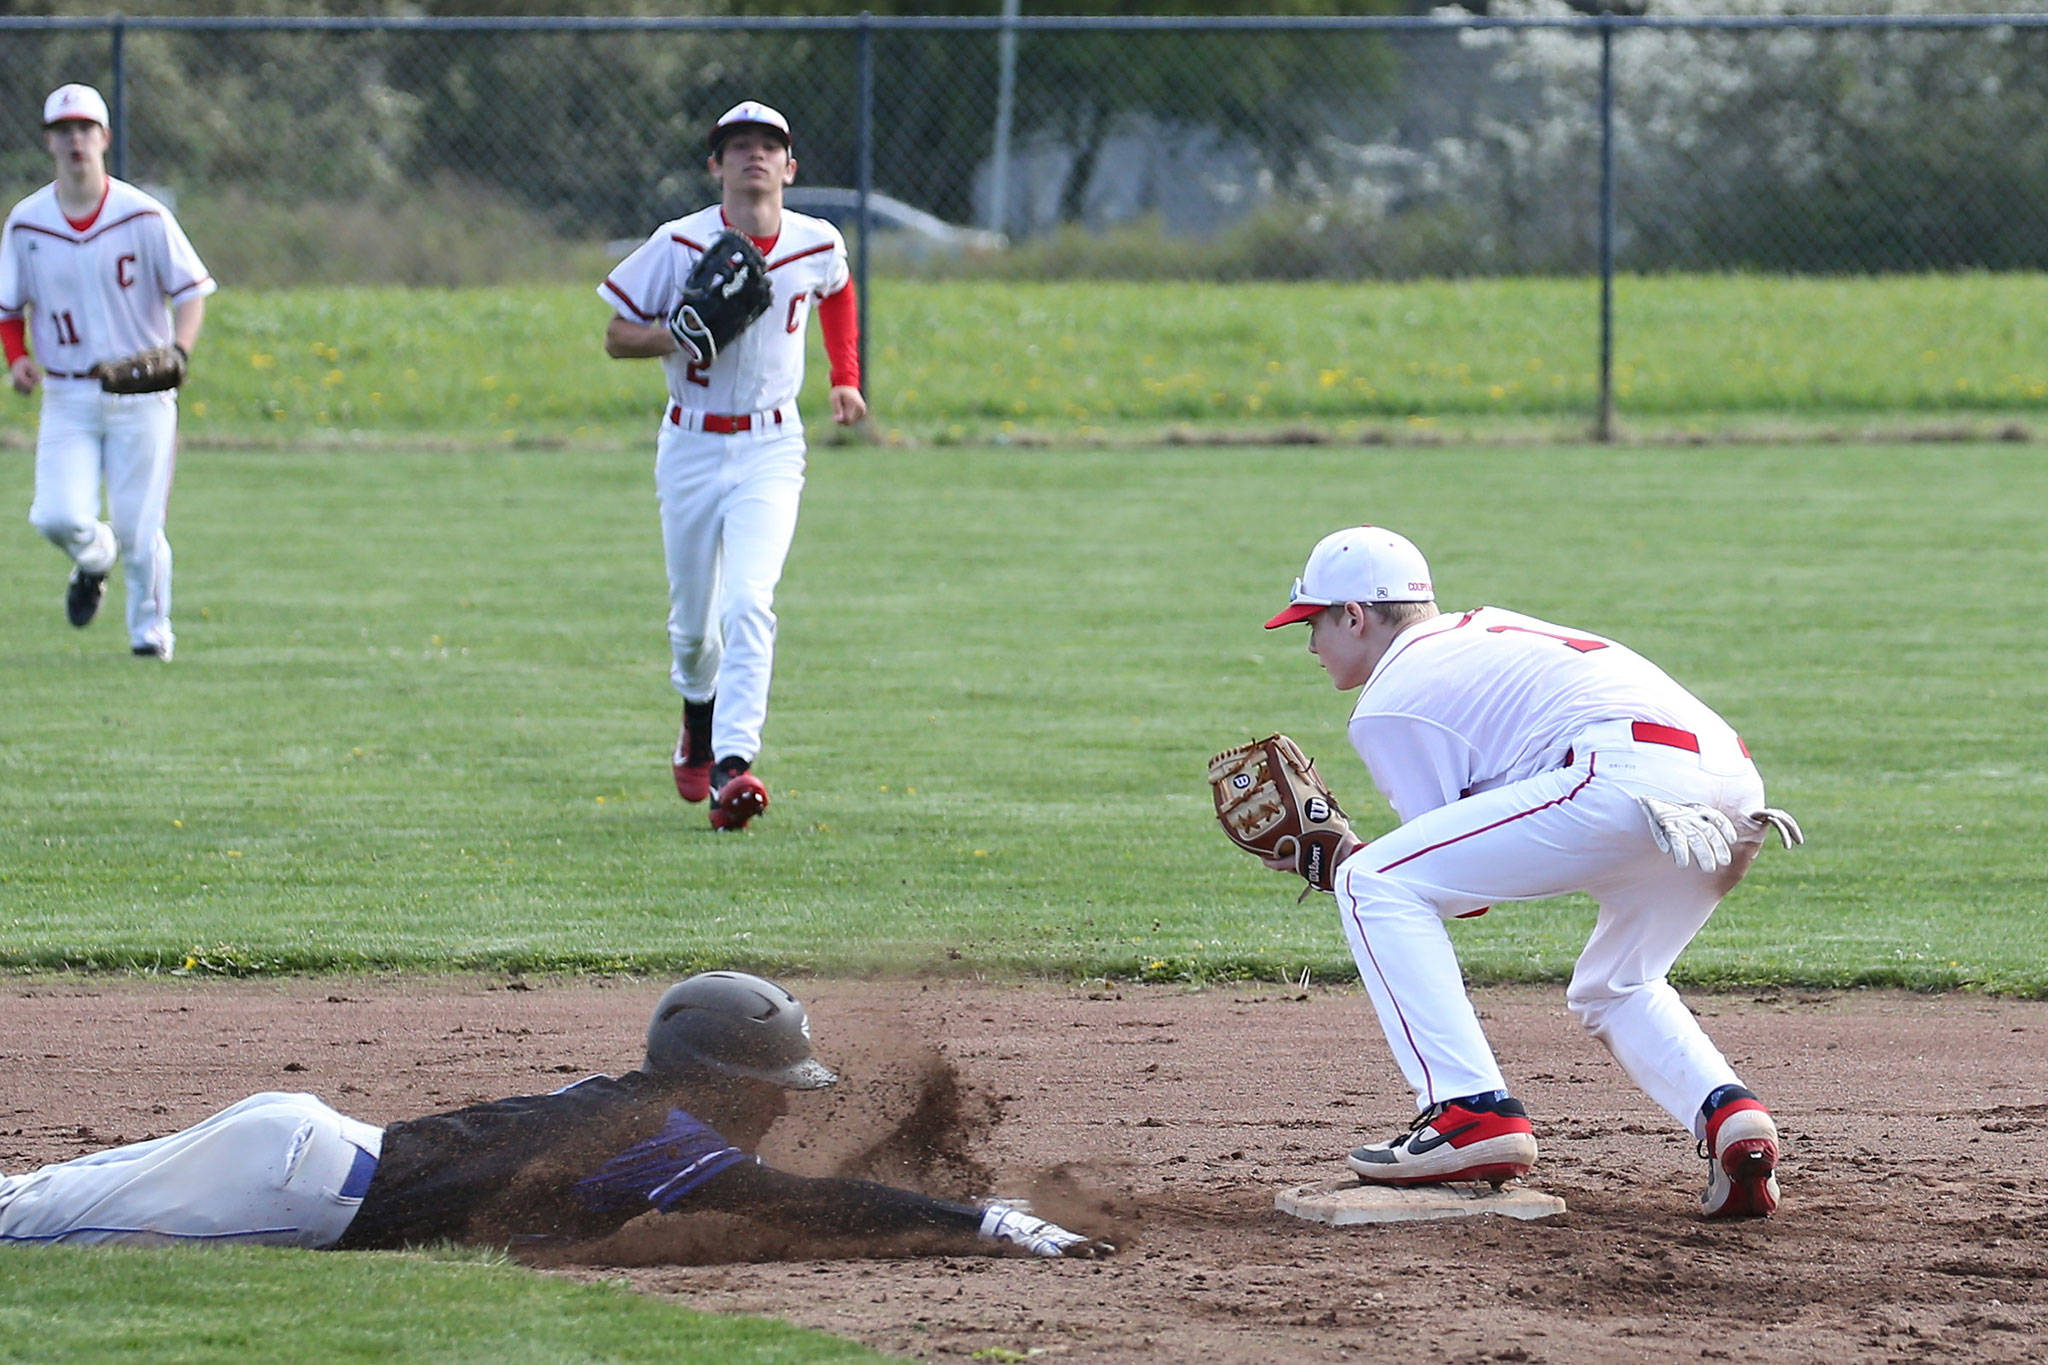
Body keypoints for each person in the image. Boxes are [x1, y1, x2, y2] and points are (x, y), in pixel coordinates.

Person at [1261, 526, 1803, 1219]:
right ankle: (1731, 1119)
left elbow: (1446, 894)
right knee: (1617, 983)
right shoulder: (1481, 633)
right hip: (1732, 786)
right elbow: (1455, 863)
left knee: (1376, 884)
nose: (1309, 644)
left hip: (1620, 776)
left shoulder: (1390, 696)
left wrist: (1340, 862)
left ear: (1355, 616)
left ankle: (1469, 1112)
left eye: (1313, 622)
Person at [0, 971, 1109, 1257]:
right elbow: (802, 1206)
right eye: (770, 1092)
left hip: (299, 1144)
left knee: (38, 1205)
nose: (778, 1116)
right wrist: (983, 1222)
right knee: (39, 1230)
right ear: (718, 1081)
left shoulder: (622, 1107)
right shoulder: (666, 1138)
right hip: (294, 1185)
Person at [598, 100, 866, 832]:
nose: (755, 155)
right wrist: (674, 336)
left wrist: (846, 376)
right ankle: (696, 716)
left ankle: (730, 768)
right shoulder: (679, 242)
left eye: (769, 145)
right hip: (689, 442)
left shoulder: (815, 242)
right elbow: (617, 336)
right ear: (715, 165)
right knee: (693, 630)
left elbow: (838, 289)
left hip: (772, 445)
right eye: (738, 144)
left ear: (790, 165)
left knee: (749, 601)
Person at [1, 83, 214, 661]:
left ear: (105, 138)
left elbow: (192, 290)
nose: (75, 140)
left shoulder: (143, 214)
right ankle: (94, 558)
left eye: (85, 128)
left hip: (142, 397)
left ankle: (150, 635)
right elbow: (7, 309)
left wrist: (181, 351)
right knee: (55, 516)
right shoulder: (27, 222)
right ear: (48, 141)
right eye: (64, 130)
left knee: (141, 532)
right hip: (68, 395)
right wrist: (17, 359)